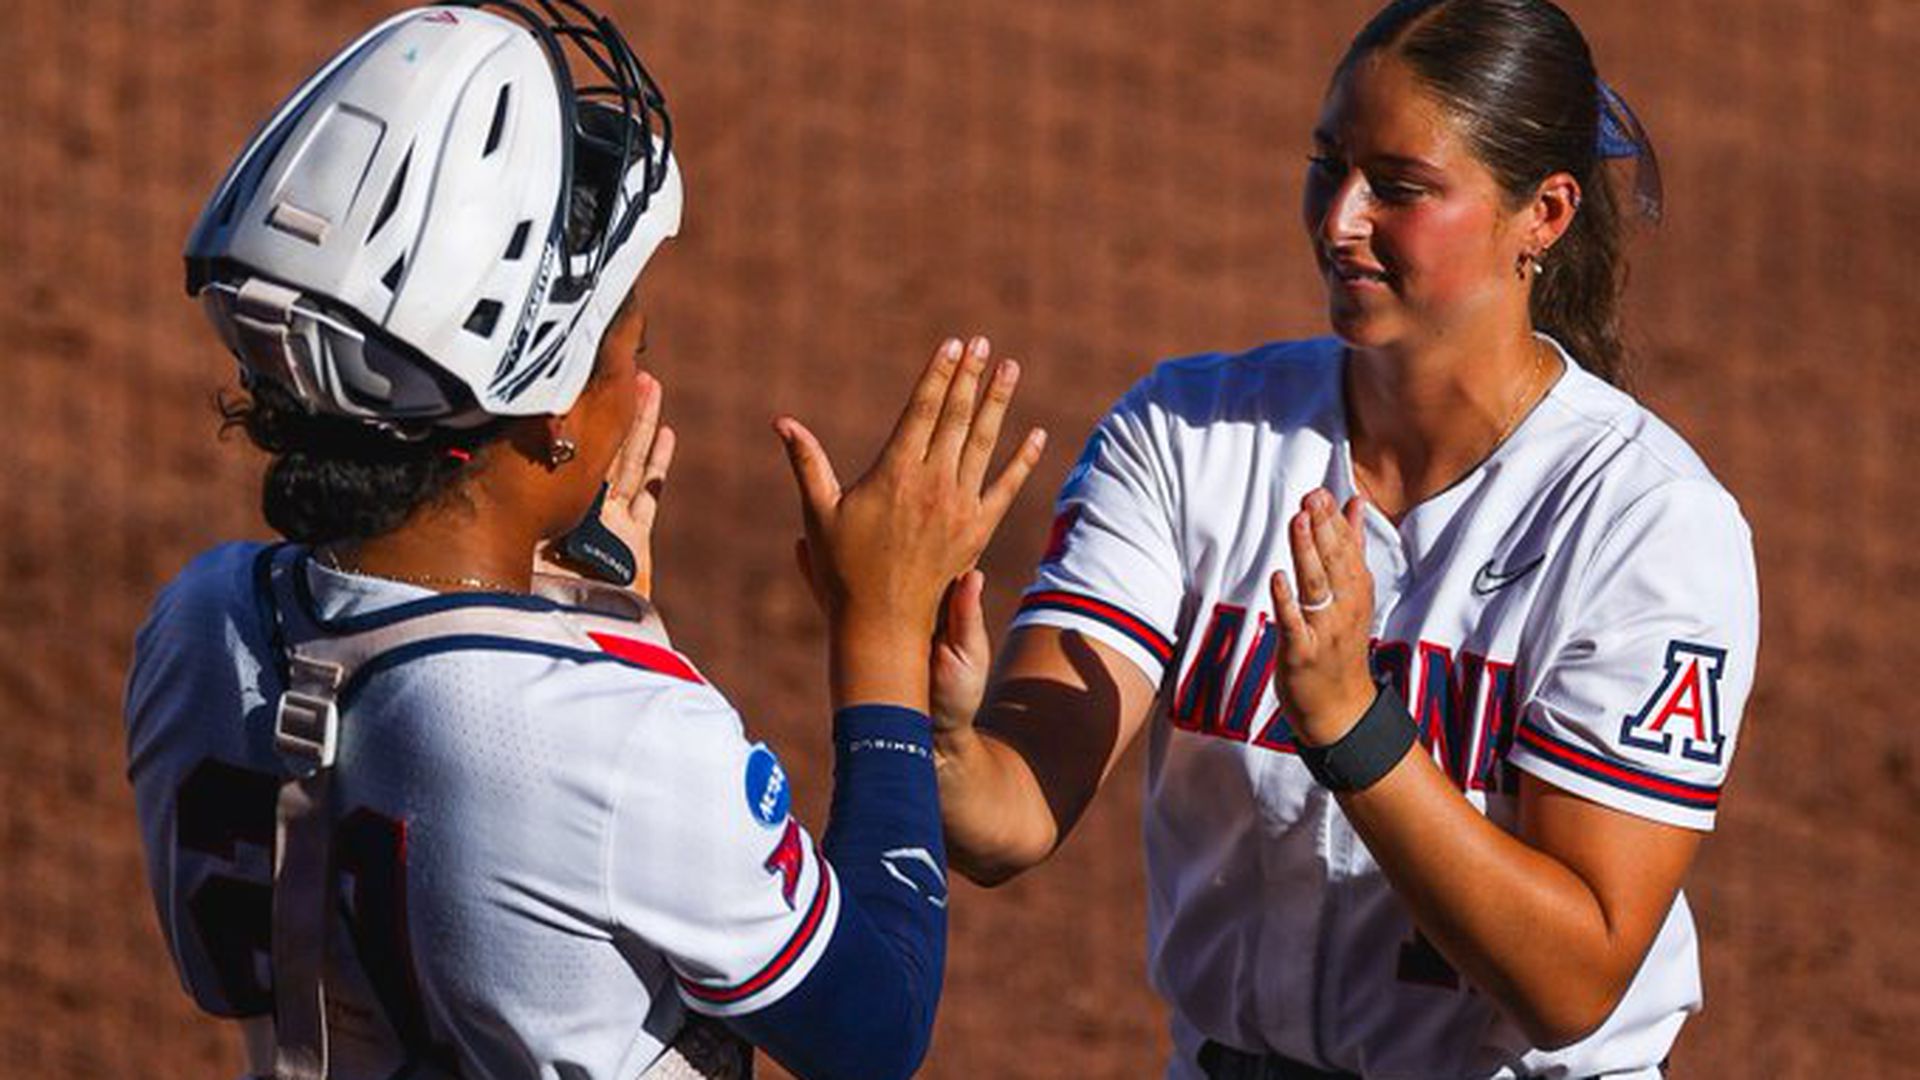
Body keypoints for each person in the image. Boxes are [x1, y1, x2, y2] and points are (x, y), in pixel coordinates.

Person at [123, 5, 1043, 1079]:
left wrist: (585, 635)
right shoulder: (622, 740)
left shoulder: (201, 621)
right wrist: (881, 637)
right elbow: (874, 1028)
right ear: (550, 412)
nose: (645, 388)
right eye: (628, 351)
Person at [921, 1, 1758, 1077]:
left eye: (1401, 189)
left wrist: (1357, 730)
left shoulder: (1644, 524)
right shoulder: (1190, 436)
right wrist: (926, 727)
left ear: (1542, 215)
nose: (1339, 219)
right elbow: (1012, 819)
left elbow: (1572, 981)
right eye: (1329, 164)